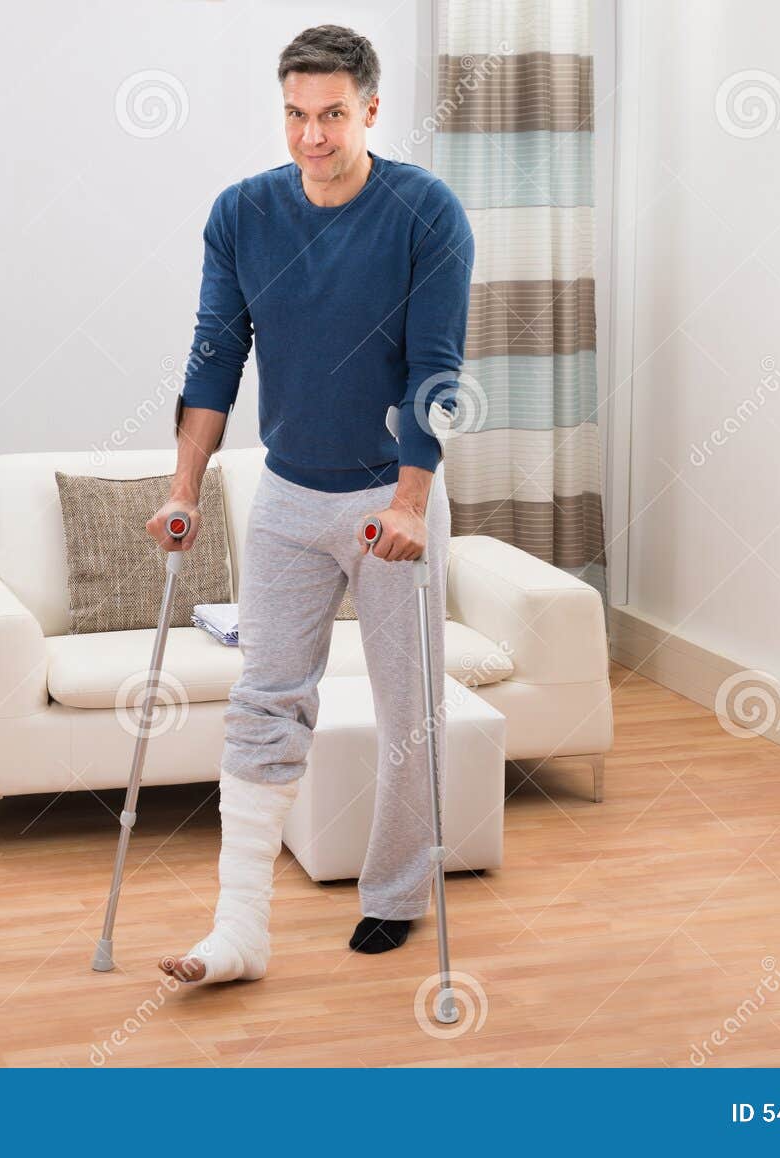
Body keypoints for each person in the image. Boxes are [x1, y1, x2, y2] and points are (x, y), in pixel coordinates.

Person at [152, 24, 474, 985]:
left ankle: (397, 895)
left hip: (389, 499)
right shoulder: (242, 214)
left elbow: (436, 373)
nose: (312, 137)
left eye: (332, 115)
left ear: (371, 108)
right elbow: (214, 358)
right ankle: (239, 932)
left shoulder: (425, 213)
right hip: (289, 495)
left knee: (408, 710)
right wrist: (183, 489)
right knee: (265, 699)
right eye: (296, 115)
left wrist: (412, 502)